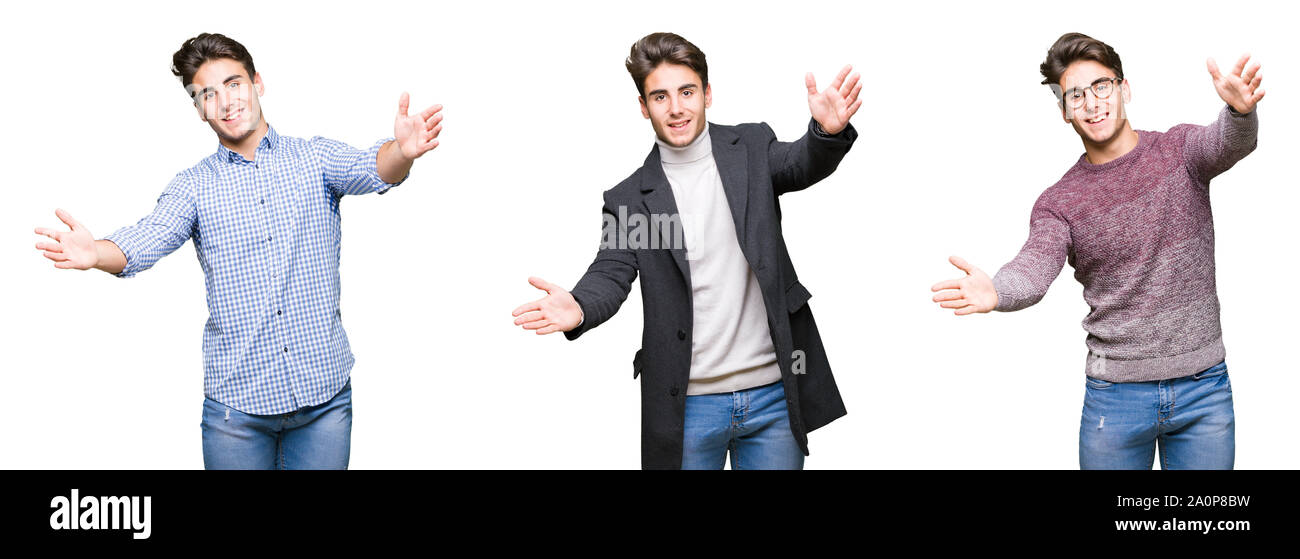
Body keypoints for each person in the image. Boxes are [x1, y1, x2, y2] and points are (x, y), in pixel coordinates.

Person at [33, 33, 444, 469]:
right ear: (198, 109)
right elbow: (148, 237)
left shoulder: (314, 159)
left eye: (233, 83)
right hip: (237, 413)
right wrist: (97, 252)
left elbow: (370, 167)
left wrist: (402, 150)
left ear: (257, 83)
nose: (226, 101)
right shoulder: (193, 187)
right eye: (207, 94)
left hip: (324, 401)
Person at [511, 32, 860, 469]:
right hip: (689, 406)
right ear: (644, 107)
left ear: (707, 94)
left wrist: (826, 133)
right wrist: (579, 307)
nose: (676, 108)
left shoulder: (749, 150)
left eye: (687, 92)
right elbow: (611, 271)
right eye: (660, 96)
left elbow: (800, 163)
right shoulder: (632, 198)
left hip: (773, 395)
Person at [930, 33, 1263, 469]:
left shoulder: (1180, 151)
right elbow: (1034, 266)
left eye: (1101, 86)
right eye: (1076, 95)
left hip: (1204, 389)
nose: (1092, 102)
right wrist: (998, 290)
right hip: (1116, 400)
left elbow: (1229, 143)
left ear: (1124, 89)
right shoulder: (1059, 201)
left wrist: (1240, 111)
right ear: (1064, 112)